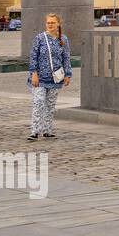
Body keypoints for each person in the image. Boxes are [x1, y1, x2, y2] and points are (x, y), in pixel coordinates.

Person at [27, 13, 72, 141]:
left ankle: (47, 130)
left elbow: (66, 57)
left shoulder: (63, 39)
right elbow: (33, 56)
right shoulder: (40, 38)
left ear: (58, 24)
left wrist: (68, 74)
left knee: (50, 105)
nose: (50, 25)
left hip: (55, 77)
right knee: (39, 102)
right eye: (48, 22)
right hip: (40, 77)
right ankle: (35, 131)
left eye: (53, 22)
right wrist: (33, 73)